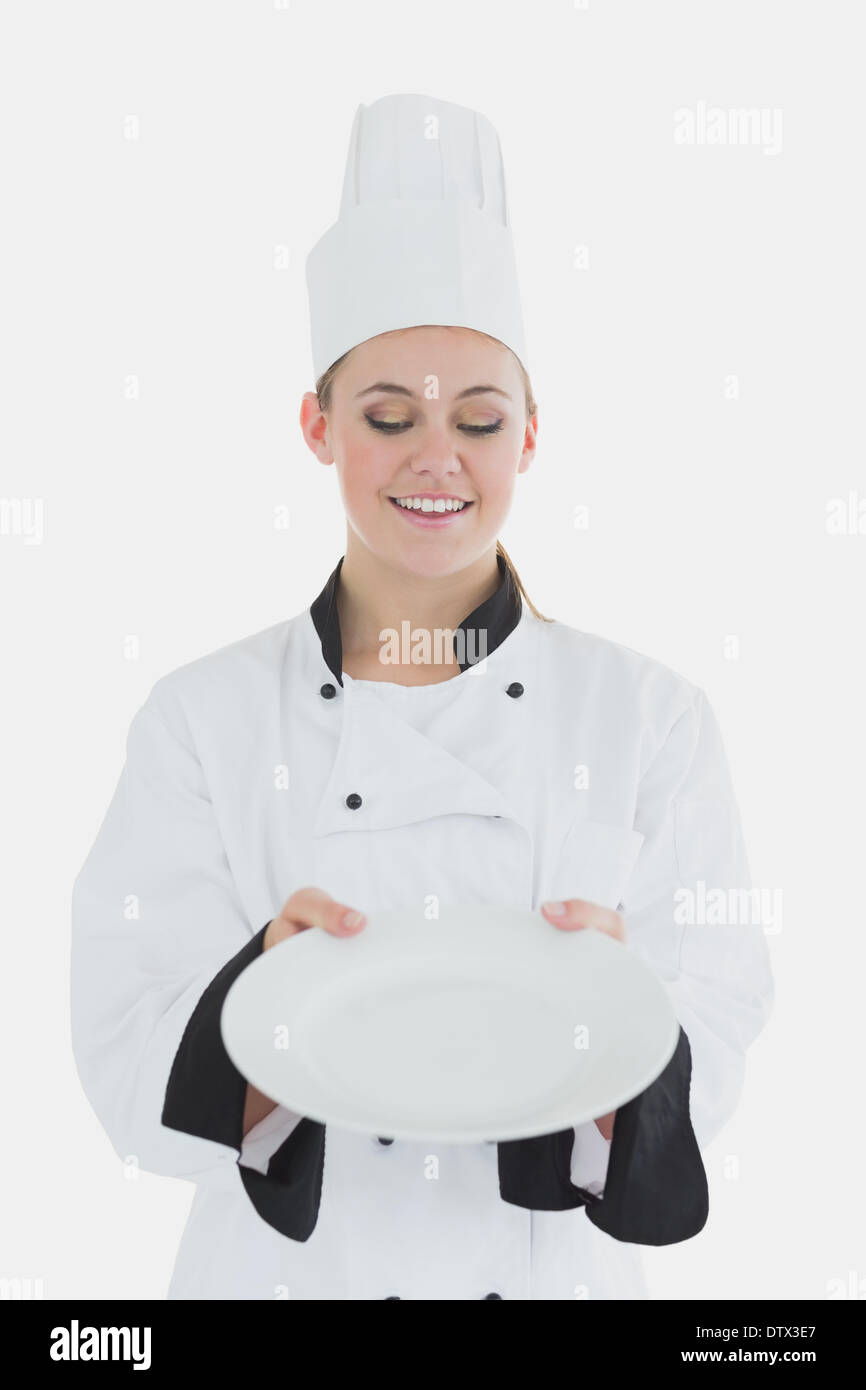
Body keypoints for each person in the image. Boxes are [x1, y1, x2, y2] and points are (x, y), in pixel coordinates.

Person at [70, 93, 774, 1300]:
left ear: (532, 437)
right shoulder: (202, 718)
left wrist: (619, 1026)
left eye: (480, 419)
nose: (435, 456)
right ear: (316, 425)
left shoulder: (648, 716)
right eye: (387, 415)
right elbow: (125, 1048)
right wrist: (258, 1002)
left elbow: (720, 1019)